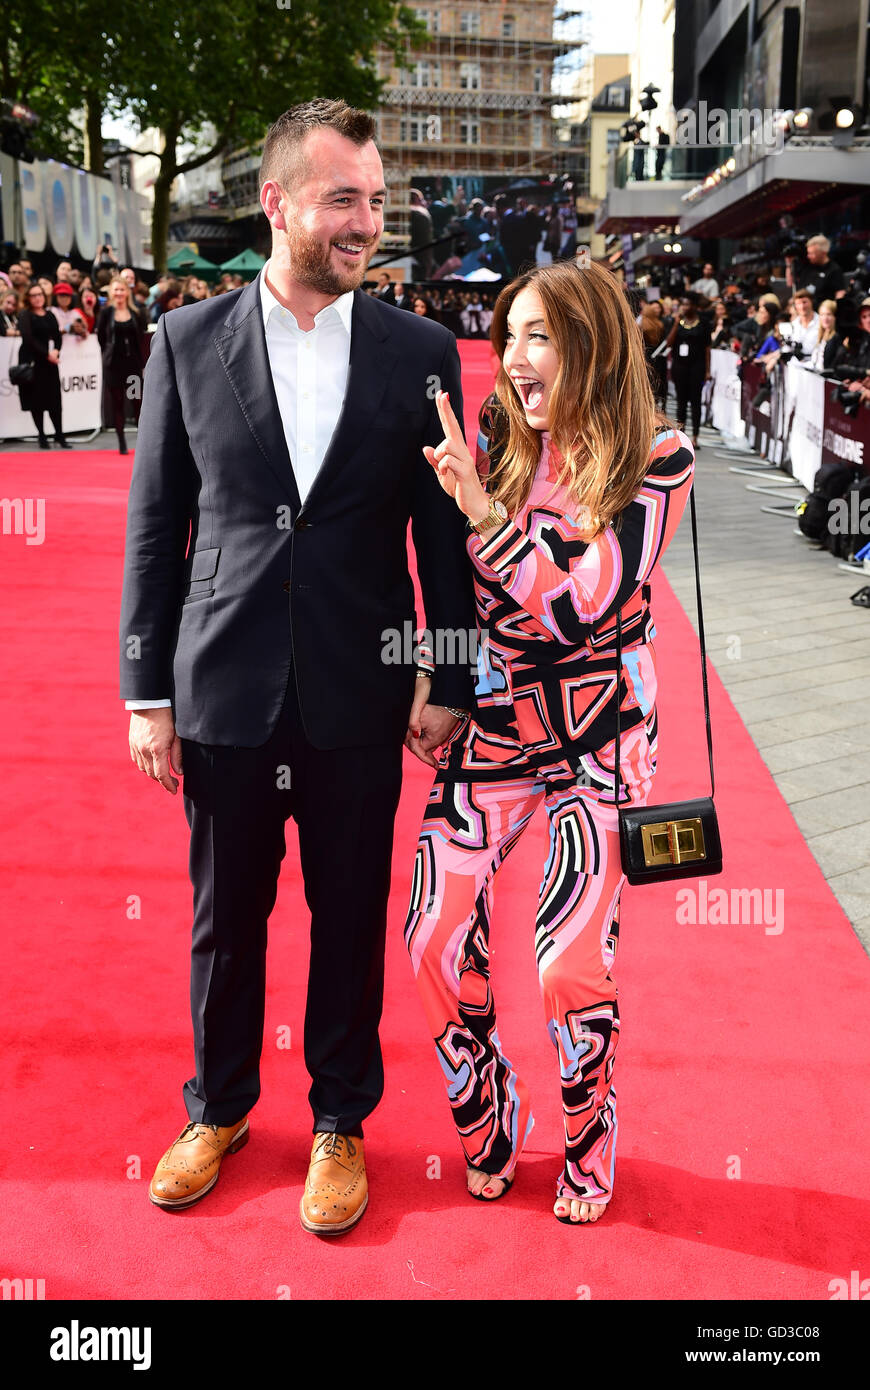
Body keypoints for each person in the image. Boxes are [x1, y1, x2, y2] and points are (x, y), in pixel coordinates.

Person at [120, 98, 476, 1236]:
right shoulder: (185, 340)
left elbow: (444, 534)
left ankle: (339, 1122)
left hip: (359, 690)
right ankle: (219, 1106)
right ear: (277, 203)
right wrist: (145, 689)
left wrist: (452, 675)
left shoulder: (422, 352)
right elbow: (156, 523)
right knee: (225, 916)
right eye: (343, 200)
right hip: (222, 682)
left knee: (347, 914)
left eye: (375, 200)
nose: (365, 222)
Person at [404, 259, 694, 1223]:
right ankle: (487, 1112)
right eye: (510, 335)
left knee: (567, 961)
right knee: (431, 941)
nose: (517, 361)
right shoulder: (491, 437)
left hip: (601, 739)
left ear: (595, 346)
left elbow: (588, 603)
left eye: (542, 337)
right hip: (494, 726)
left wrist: (483, 513)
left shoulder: (659, 457)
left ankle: (588, 1129)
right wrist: (434, 674)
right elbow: (455, 584)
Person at [16, 282, 71, 448]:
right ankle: (41, 435)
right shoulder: (25, 315)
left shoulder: (49, 314)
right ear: (28, 298)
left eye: (40, 294)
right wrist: (48, 354)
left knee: (54, 399)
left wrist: (56, 351)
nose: (37, 298)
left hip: (49, 363)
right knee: (36, 400)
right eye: (33, 295)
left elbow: (58, 336)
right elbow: (28, 338)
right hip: (32, 362)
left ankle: (59, 435)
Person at [97, 276, 146, 454]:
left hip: (132, 365)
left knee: (137, 403)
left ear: (128, 292)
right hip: (113, 366)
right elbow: (101, 338)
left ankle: (143, 442)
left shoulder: (136, 313)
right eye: (116, 289)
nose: (119, 293)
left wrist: (142, 364)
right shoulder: (106, 313)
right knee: (117, 404)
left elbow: (140, 339)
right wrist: (107, 355)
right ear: (111, 292)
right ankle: (122, 442)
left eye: (122, 289)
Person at [665, 292, 710, 447]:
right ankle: (681, 436)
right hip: (680, 366)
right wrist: (676, 324)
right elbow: (669, 343)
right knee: (681, 402)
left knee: (695, 402)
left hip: (697, 366)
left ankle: (695, 436)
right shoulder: (677, 322)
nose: (684, 307)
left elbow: (707, 348)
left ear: (694, 306)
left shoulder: (703, 323)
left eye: (687, 304)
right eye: (682, 304)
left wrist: (708, 370)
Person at [806, 299, 843, 370]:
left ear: (835, 316)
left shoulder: (837, 337)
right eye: (822, 314)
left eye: (829, 314)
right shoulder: (821, 335)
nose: (825, 318)